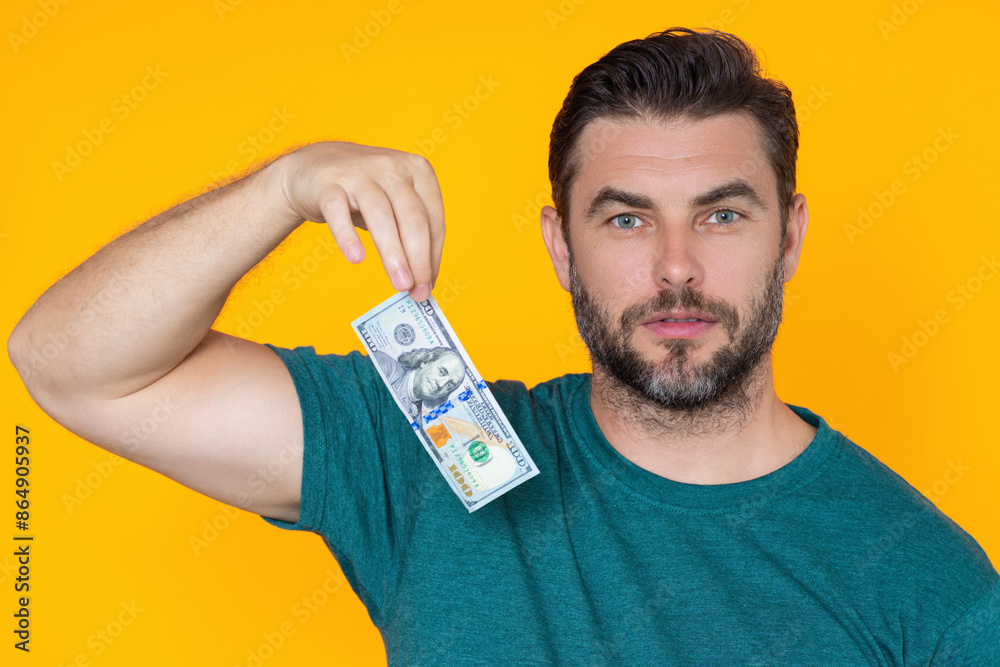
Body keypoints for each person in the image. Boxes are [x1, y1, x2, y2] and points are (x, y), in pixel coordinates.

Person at [8, 27, 998, 664]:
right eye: (625, 219)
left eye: (722, 215)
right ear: (559, 246)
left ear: (790, 236)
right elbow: (72, 365)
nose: (675, 267)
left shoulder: (933, 587)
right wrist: (280, 188)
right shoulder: (428, 445)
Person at [372, 346, 465, 421]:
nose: (441, 384)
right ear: (425, 362)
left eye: (449, 385)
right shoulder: (383, 365)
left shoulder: (417, 423)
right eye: (441, 372)